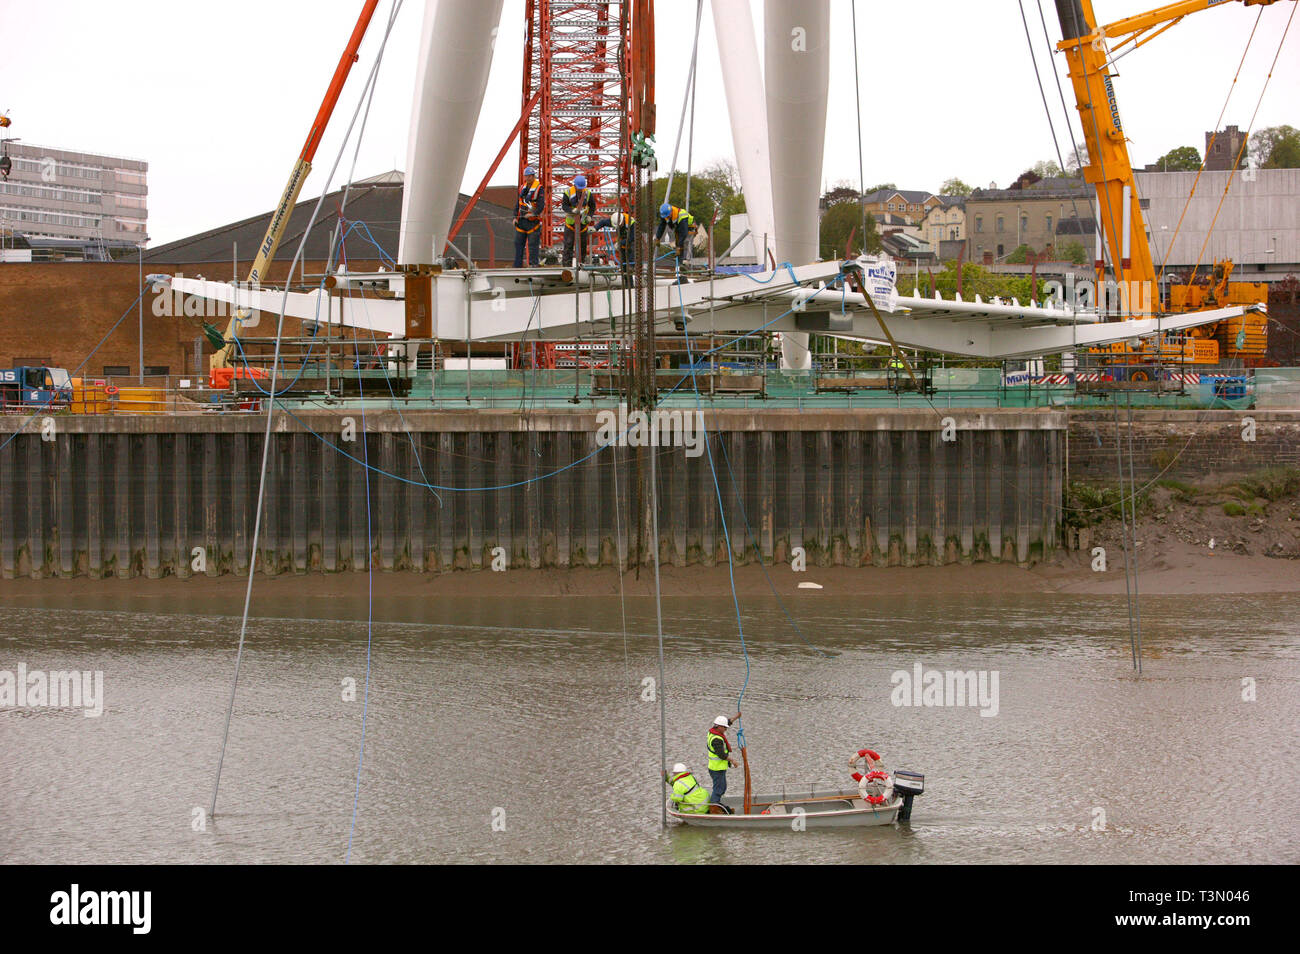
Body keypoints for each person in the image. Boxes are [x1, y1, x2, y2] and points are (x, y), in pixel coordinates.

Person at [705, 711, 741, 805]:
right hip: (717, 768)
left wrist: (736, 717)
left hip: (717, 767)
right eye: (724, 728)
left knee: (722, 787)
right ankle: (714, 805)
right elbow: (722, 755)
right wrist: (733, 761)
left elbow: (727, 722)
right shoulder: (716, 739)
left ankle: (715, 803)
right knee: (719, 788)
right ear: (719, 727)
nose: (726, 729)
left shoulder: (713, 731)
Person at [561, 174, 597, 266]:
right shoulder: (568, 192)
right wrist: (572, 210)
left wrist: (589, 216)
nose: (581, 189)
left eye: (582, 188)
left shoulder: (587, 193)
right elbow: (564, 206)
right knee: (568, 246)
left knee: (583, 247)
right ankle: (567, 267)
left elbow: (592, 206)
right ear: (575, 185)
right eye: (579, 188)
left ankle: (581, 265)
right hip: (571, 224)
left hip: (583, 224)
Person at [513, 165, 544, 268]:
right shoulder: (522, 188)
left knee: (532, 245)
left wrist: (533, 214)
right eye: (526, 176)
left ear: (533, 176)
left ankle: (533, 265)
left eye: (529, 176)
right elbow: (518, 204)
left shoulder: (539, 188)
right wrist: (514, 217)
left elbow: (541, 205)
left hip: (532, 222)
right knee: (518, 244)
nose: (527, 178)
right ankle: (517, 266)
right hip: (521, 221)